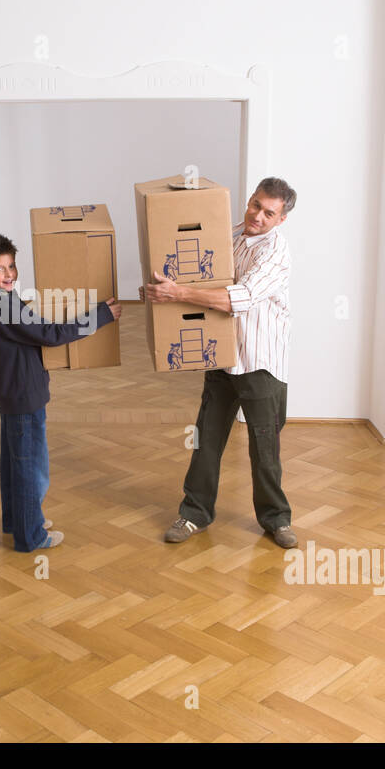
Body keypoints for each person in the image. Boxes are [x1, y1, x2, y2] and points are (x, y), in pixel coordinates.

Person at [140, 178, 297, 548]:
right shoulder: (231, 234)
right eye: (255, 205)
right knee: (205, 440)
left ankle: (277, 520)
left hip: (261, 362)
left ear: (281, 219)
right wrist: (161, 286)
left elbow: (237, 298)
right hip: (223, 356)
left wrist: (176, 293)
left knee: (265, 448)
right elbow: (199, 273)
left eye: (268, 212)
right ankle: (194, 513)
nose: (257, 216)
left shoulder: (276, 253)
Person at [0, 233, 122, 552]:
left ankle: (18, 522)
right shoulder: (4, 306)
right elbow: (49, 335)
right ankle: (31, 536)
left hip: (12, 392)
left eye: (11, 266)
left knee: (15, 460)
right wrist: (100, 316)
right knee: (29, 464)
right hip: (22, 394)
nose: (9, 274)